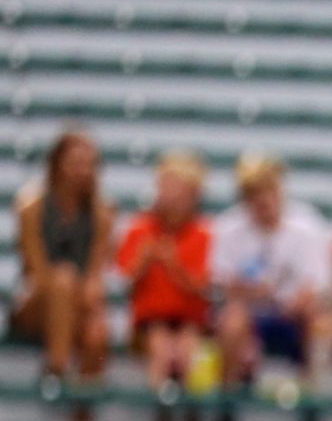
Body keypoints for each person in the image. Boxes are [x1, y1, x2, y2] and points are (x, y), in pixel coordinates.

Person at [211, 154, 332, 390]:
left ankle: (315, 396)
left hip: (294, 317)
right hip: (250, 317)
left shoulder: (308, 227)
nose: (262, 203)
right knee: (231, 322)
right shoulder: (227, 229)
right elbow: (220, 284)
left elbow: (320, 285)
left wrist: (299, 302)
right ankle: (228, 397)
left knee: (321, 322)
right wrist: (252, 292)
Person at [12, 127, 114, 393]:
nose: (83, 171)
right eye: (76, 163)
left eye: (89, 164)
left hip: (77, 302)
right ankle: (57, 368)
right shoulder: (31, 208)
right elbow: (37, 273)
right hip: (37, 303)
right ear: (57, 164)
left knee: (97, 332)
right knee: (62, 278)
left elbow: (94, 277)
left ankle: (81, 415)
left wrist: (78, 296)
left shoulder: (102, 214)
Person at [114, 151, 214, 406]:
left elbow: (204, 287)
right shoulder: (141, 229)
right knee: (161, 351)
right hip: (150, 321)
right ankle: (161, 415)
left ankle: (192, 414)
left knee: (188, 352)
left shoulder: (204, 234)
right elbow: (125, 278)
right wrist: (144, 261)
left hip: (191, 320)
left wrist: (174, 266)